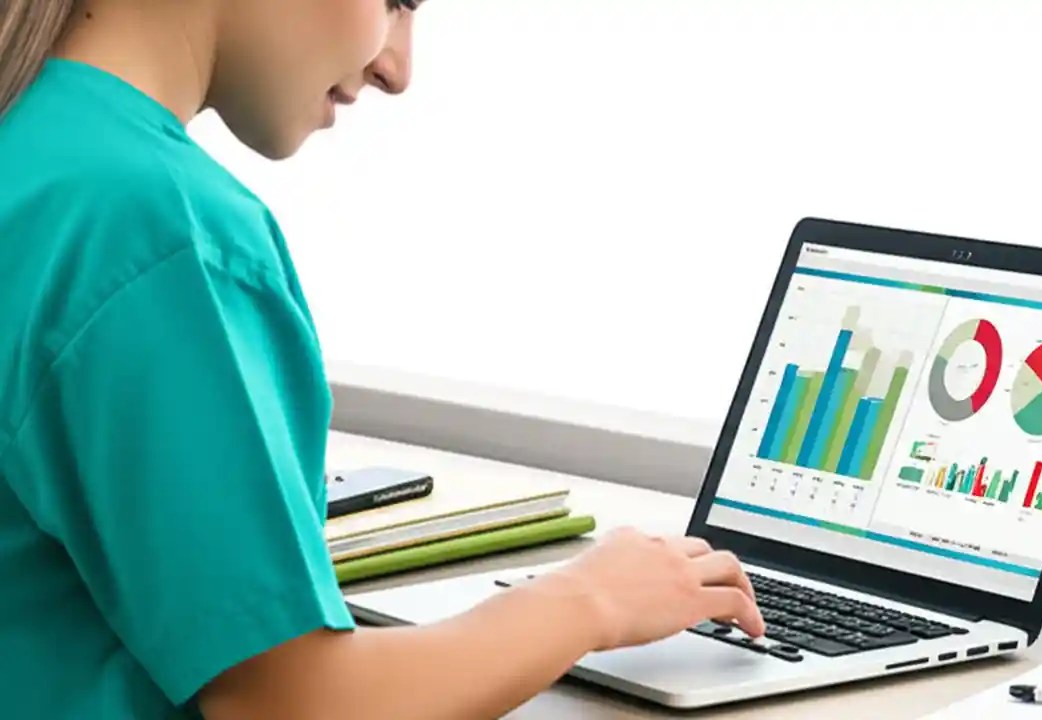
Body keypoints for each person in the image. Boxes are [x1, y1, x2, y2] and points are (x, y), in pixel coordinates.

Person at [0, 1, 765, 717]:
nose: (397, 69)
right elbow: (291, 703)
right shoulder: (150, 225)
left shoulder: (35, 149)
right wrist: (591, 600)